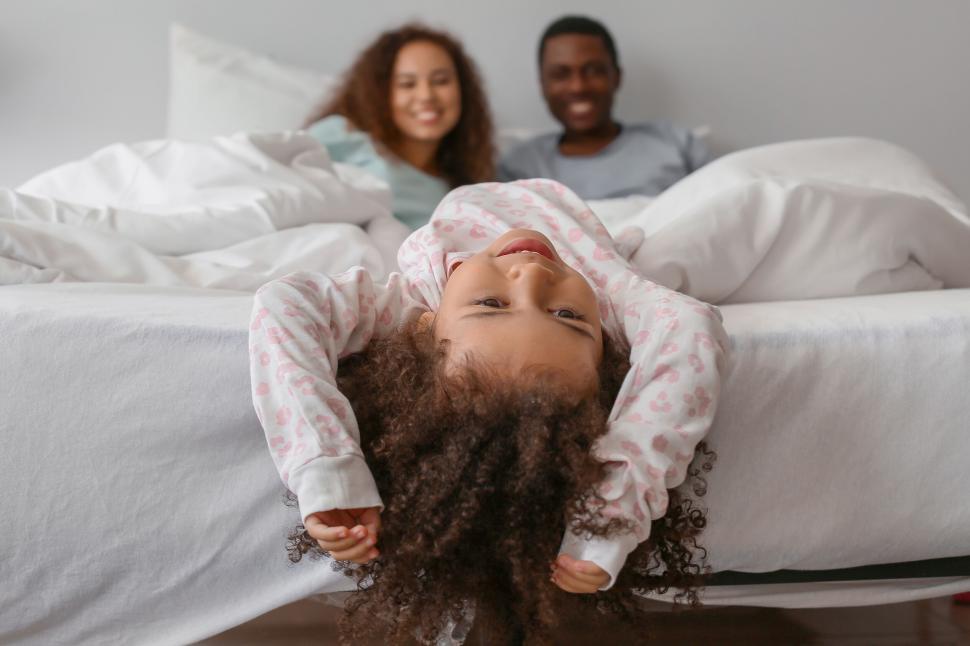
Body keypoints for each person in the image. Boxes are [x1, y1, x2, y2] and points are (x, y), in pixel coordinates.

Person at [249, 179, 727, 643]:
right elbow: (690, 328)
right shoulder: (616, 299)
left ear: (426, 325)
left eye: (490, 304)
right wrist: (613, 511)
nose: (532, 276)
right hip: (576, 219)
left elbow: (285, 302)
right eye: (569, 317)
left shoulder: (415, 302)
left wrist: (327, 465)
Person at [303, 24, 495, 231]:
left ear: (463, 90)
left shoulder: (465, 188)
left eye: (441, 81)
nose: (426, 96)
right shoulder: (343, 135)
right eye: (407, 84)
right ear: (380, 93)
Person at [499, 15, 708, 199]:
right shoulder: (520, 166)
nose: (578, 87)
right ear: (543, 86)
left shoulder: (676, 143)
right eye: (561, 74)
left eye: (593, 71)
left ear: (616, 77)